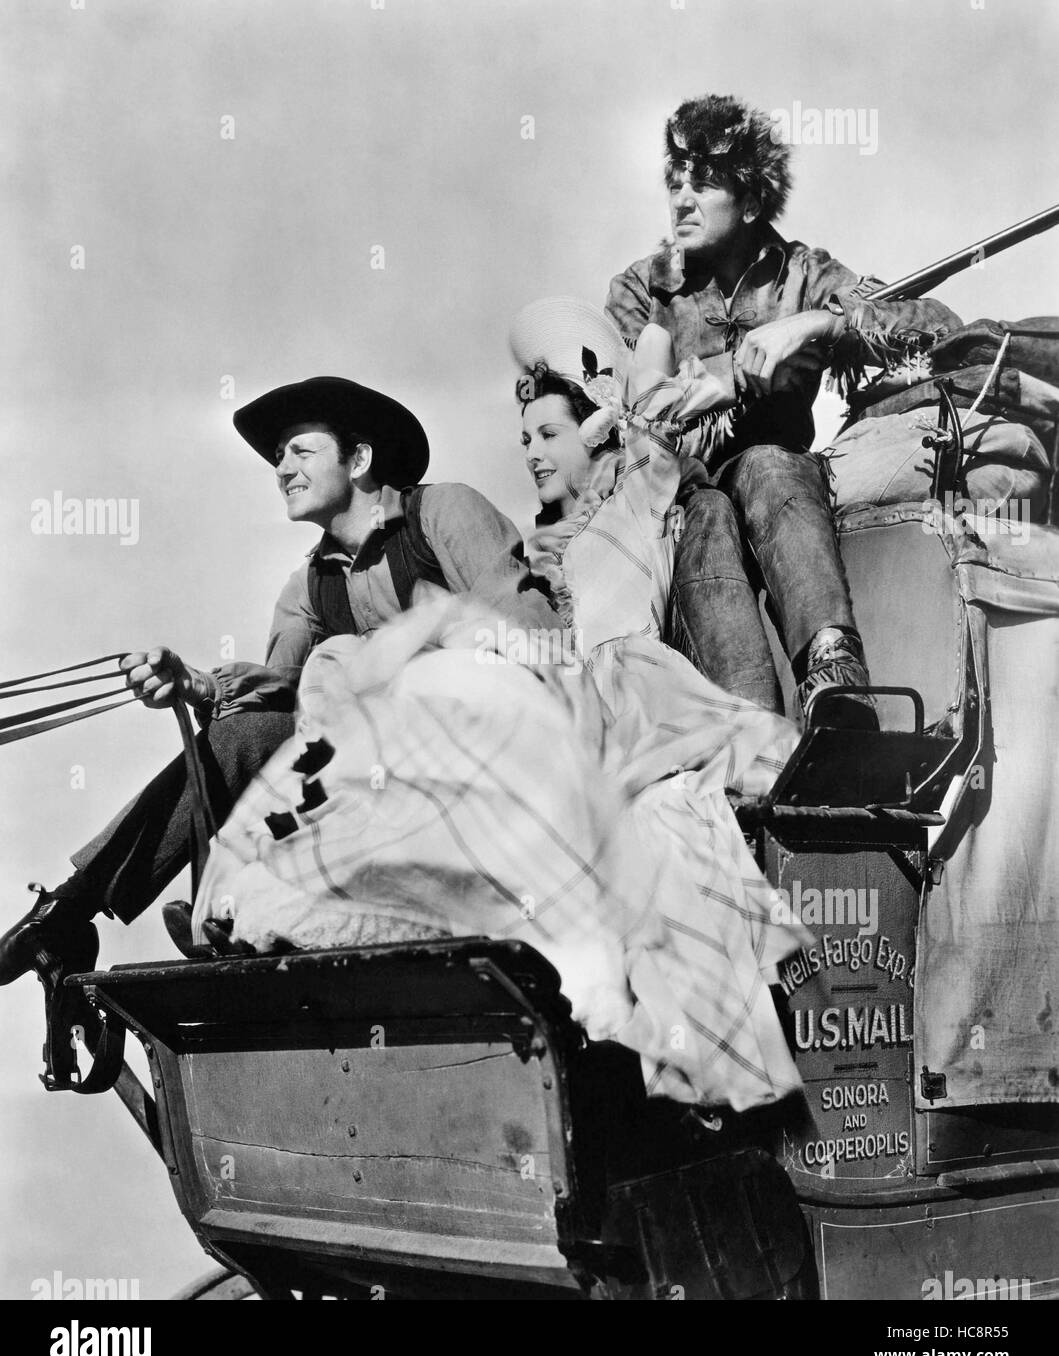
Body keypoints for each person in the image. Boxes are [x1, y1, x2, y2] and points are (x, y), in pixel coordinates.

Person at [189, 304, 814, 1112]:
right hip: (484, 711)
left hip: (584, 691)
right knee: (299, 724)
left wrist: (627, 399)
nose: (532, 454)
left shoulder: (610, 507)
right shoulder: (504, 547)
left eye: (549, 436)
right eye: (524, 440)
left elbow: (541, 623)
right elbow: (299, 676)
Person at [0, 376, 554, 984]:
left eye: (301, 451)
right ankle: (70, 910)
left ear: (360, 459)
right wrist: (194, 685)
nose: (282, 468)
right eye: (278, 457)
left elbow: (526, 636)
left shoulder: (444, 513)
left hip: (478, 754)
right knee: (245, 735)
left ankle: (255, 913)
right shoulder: (308, 586)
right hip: (364, 775)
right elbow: (278, 700)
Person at [606, 93, 963, 720]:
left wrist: (814, 327)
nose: (682, 199)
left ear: (748, 201)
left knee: (770, 462)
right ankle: (754, 738)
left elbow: (939, 326)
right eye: (676, 181)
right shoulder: (642, 288)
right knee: (706, 512)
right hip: (675, 502)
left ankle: (836, 685)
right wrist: (721, 380)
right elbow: (618, 420)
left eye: (706, 182)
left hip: (783, 491)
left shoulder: (804, 274)